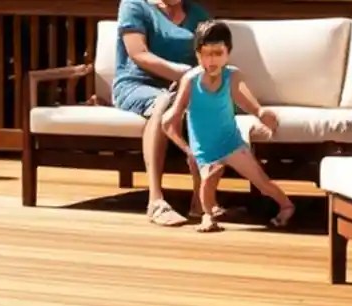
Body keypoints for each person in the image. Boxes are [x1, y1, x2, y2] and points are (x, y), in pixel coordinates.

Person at [162, 20, 294, 233]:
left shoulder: (231, 75)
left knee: (261, 181)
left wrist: (260, 113)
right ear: (197, 54)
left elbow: (244, 98)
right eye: (206, 53)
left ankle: (287, 206)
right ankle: (208, 215)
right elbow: (169, 121)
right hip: (204, 149)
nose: (211, 60)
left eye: (218, 53)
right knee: (207, 183)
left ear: (228, 53)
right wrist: (188, 151)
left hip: (231, 142)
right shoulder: (190, 80)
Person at [113, 0, 210, 227]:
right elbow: (139, 54)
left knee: (205, 105)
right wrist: (182, 73)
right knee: (164, 101)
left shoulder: (198, 14)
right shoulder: (134, 5)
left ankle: (201, 201)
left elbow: (209, 55)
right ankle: (155, 201)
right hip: (136, 84)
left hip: (182, 87)